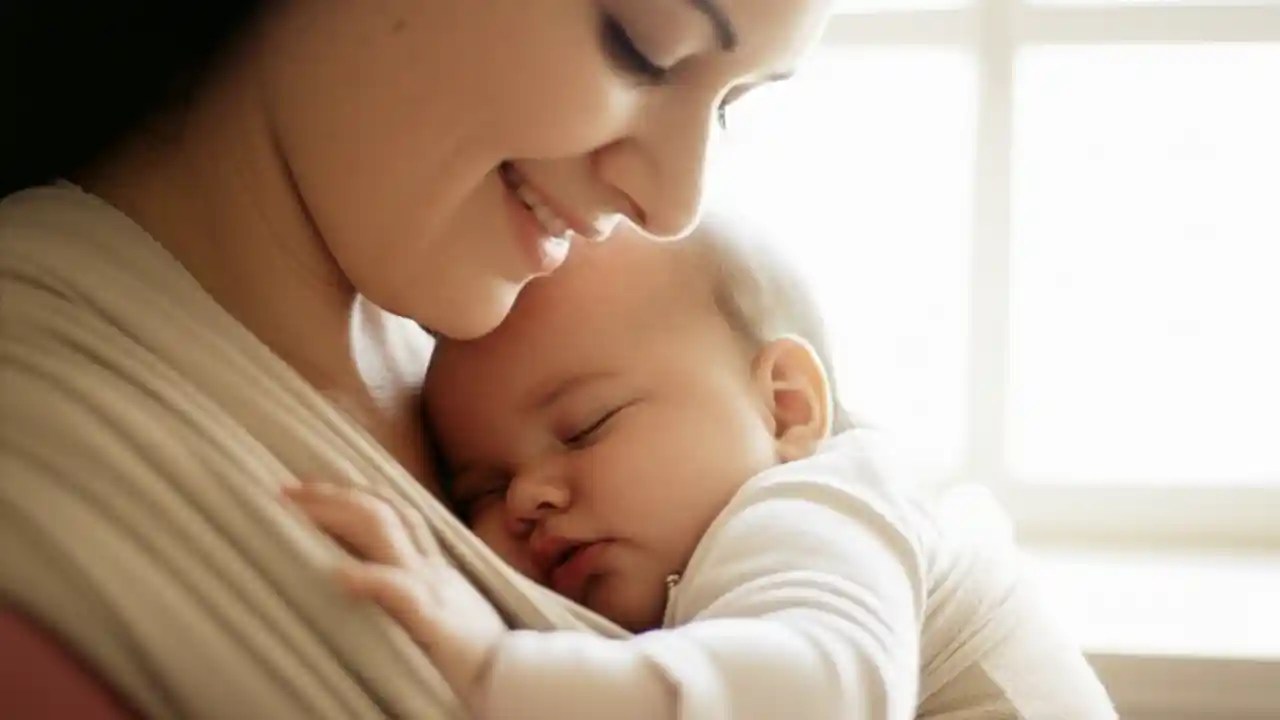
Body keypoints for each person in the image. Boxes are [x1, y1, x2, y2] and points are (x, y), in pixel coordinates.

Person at [0, 1, 835, 716]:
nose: (674, 204)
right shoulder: (44, 458)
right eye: (641, 46)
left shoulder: (571, 346)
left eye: (730, 106)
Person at [287, 220, 1119, 718]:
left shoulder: (815, 507)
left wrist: (490, 667)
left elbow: (819, 696)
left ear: (785, 408)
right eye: (482, 491)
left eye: (586, 427)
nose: (529, 496)